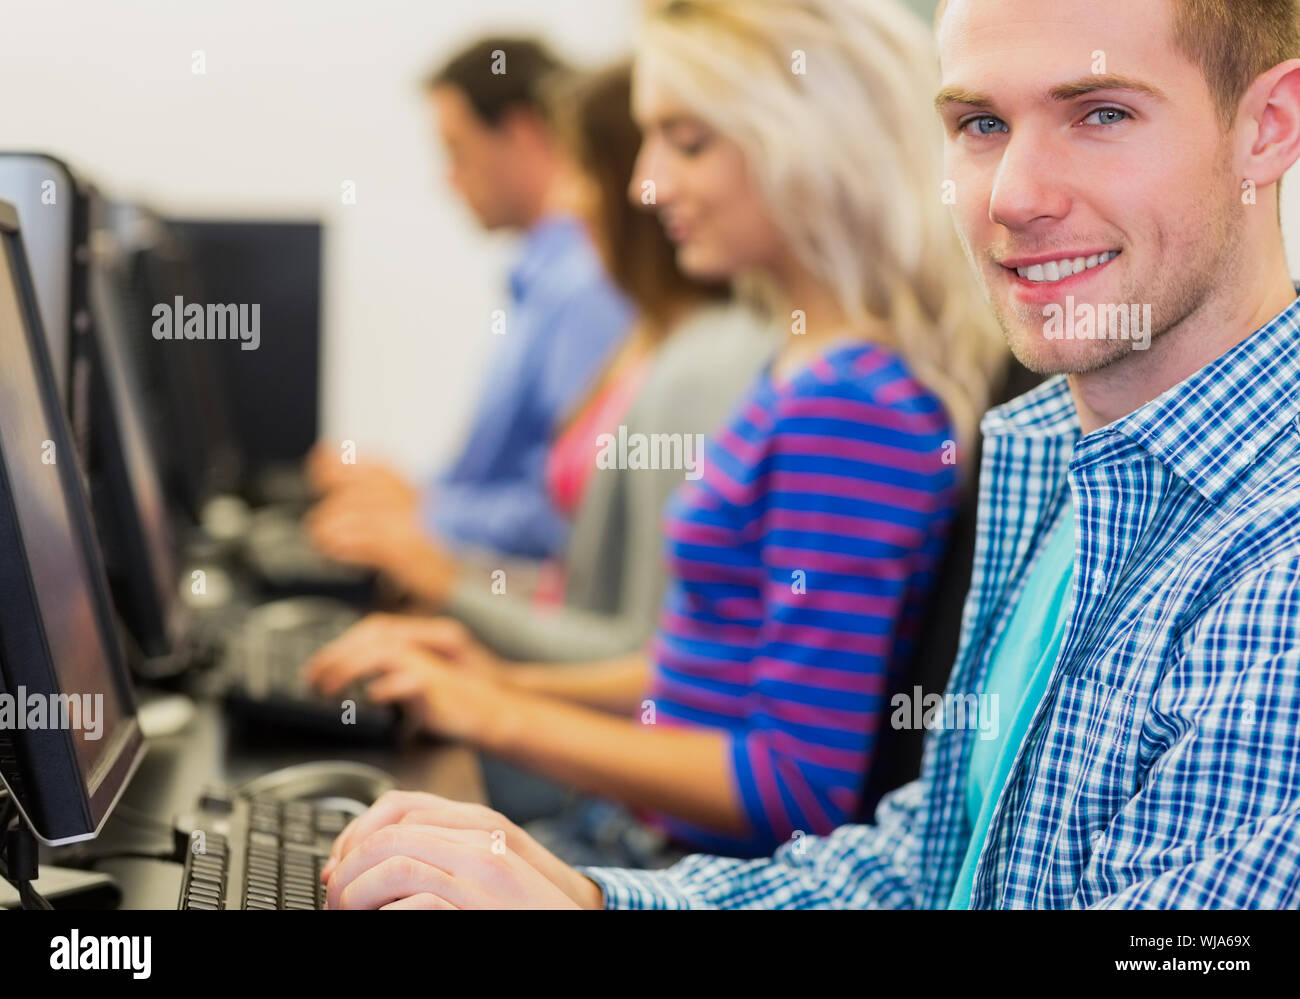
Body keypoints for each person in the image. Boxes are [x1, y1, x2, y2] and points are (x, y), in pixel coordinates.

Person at [316, 0, 1300, 910]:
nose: (1015, 195)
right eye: (978, 126)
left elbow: (793, 772)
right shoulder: (1051, 465)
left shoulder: (1274, 571)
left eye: (1101, 115)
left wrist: (500, 714)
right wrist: (597, 902)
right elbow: (925, 864)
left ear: (1268, 128)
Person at [305, 0, 1005, 866]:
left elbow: (793, 784)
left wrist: (496, 713)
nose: (646, 183)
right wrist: (498, 677)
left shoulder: (850, 405)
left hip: (682, 866)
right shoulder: (800, 360)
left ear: (805, 141)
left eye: (688, 141)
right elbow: (702, 672)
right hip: (644, 840)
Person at [305, 37, 632, 567]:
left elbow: (571, 513)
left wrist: (422, 514)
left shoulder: (586, 287)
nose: (449, 178)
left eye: (457, 150)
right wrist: (414, 494)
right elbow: (513, 478)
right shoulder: (544, 281)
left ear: (523, 132)